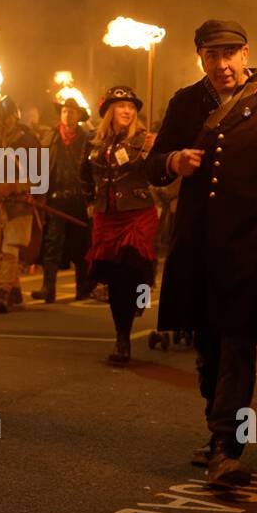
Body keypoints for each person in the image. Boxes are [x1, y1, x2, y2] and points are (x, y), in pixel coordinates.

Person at [144, 19, 257, 484]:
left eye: (229, 54)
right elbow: (153, 166)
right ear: (201, 58)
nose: (221, 64)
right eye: (211, 56)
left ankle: (226, 444)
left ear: (245, 54)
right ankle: (217, 428)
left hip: (248, 245)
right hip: (197, 242)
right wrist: (174, 161)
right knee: (209, 346)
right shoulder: (186, 101)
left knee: (238, 343)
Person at [82, 85, 157, 365]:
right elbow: (84, 175)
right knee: (115, 278)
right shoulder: (93, 142)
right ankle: (122, 337)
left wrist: (152, 153)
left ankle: (141, 291)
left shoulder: (144, 140)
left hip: (138, 212)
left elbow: (158, 174)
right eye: (121, 106)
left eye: (131, 107)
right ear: (109, 111)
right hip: (107, 215)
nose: (127, 110)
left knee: (133, 265)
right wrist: (90, 201)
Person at [0, 95, 43, 313]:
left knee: (10, 248)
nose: (3, 122)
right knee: (2, 249)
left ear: (15, 119)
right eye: (0, 117)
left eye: (6, 117)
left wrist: (14, 186)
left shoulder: (28, 142)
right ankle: (16, 290)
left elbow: (39, 178)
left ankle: (3, 292)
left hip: (20, 204)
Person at [34, 95, 91, 304]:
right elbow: (40, 168)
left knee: (81, 246)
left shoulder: (87, 139)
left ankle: (83, 288)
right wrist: (39, 194)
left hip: (79, 200)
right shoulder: (50, 138)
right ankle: (48, 288)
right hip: (56, 199)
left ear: (78, 116)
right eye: (65, 111)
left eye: (72, 111)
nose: (68, 114)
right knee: (52, 245)